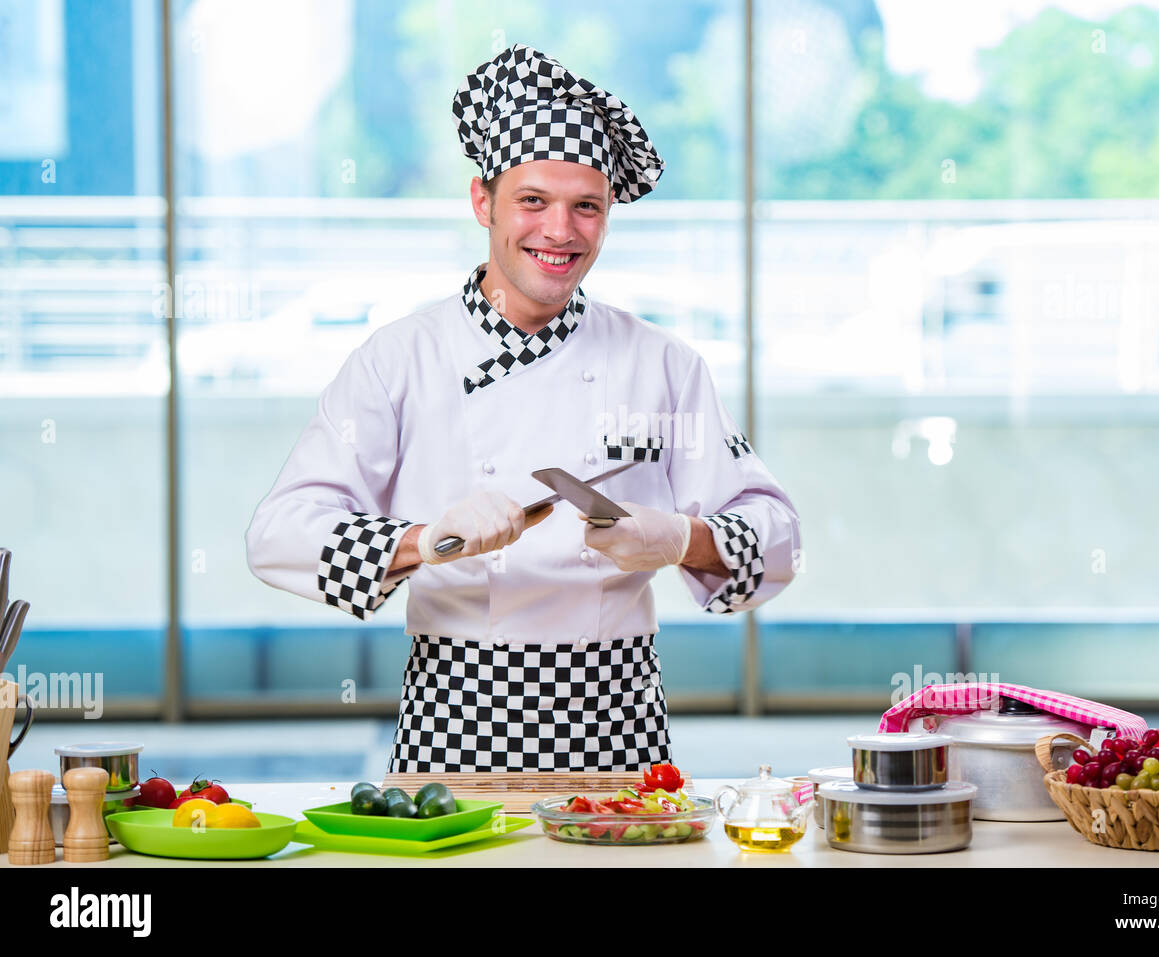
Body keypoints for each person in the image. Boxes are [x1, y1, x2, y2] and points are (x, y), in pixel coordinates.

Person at [245, 44, 802, 773]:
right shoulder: (401, 357)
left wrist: (681, 538)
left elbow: (779, 538)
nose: (560, 231)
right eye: (533, 201)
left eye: (586, 207)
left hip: (619, 730)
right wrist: (427, 539)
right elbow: (277, 535)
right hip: (455, 722)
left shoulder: (663, 364)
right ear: (483, 201)